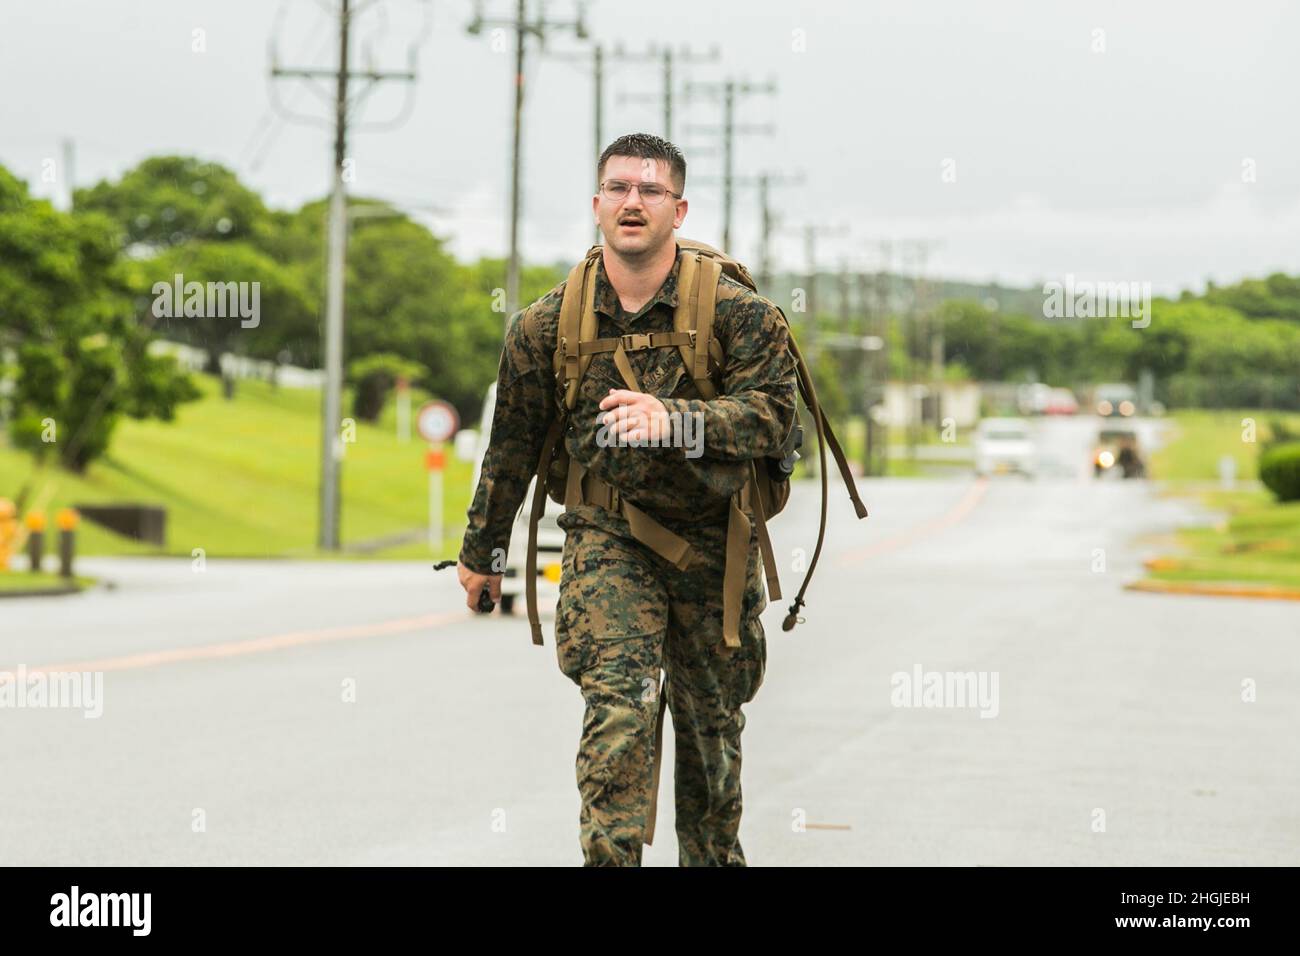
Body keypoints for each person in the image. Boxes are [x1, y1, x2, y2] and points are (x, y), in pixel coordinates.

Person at [456, 133, 798, 866]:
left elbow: (777, 423)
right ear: (596, 205)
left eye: (648, 190)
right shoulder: (546, 326)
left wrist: (676, 422)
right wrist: (482, 551)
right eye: (617, 188)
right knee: (620, 712)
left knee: (709, 740)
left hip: (715, 544)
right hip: (608, 539)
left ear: (678, 209)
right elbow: (511, 445)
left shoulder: (744, 317)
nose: (632, 202)